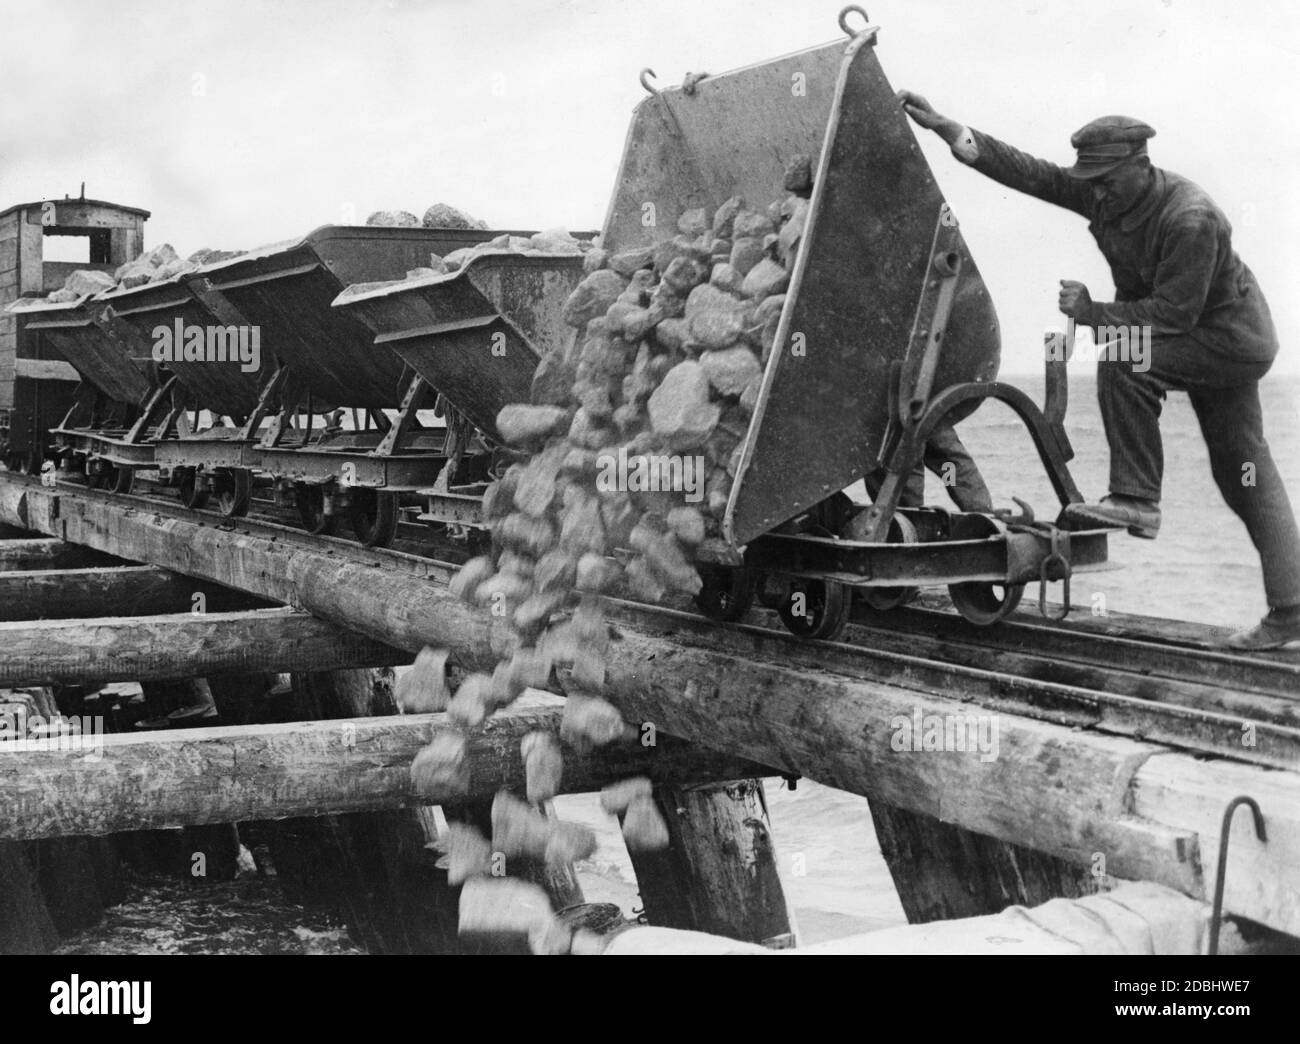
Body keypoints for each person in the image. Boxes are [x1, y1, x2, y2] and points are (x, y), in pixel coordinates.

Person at [896, 91, 1300, 649]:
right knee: (1244, 473)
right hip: (1199, 340)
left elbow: (1173, 316)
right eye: (1093, 182)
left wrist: (1091, 314)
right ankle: (1293, 608)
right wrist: (952, 132)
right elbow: (1034, 174)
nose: (1097, 192)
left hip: (1229, 343)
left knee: (1122, 354)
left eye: (1108, 180)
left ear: (1141, 165)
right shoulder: (1109, 194)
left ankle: (1136, 499)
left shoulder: (1190, 218)